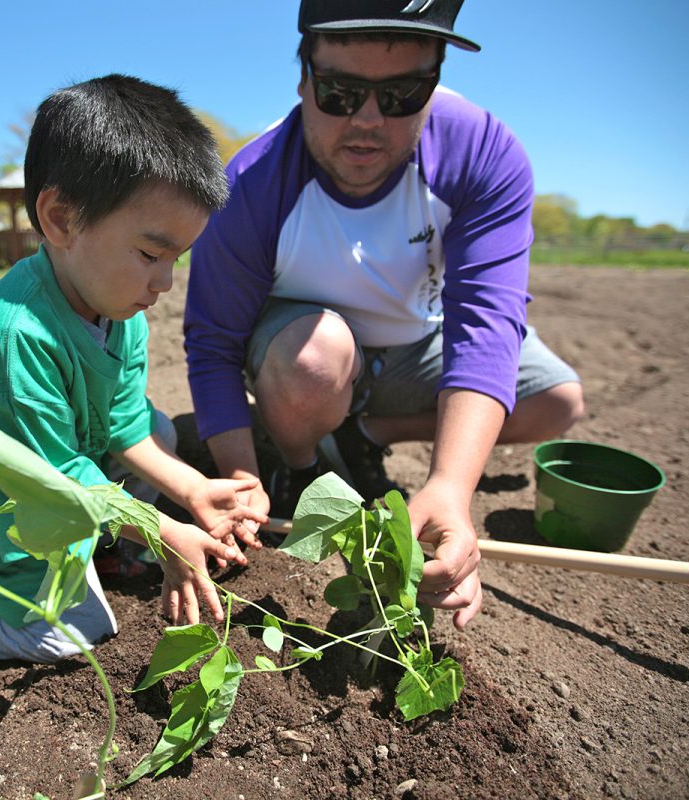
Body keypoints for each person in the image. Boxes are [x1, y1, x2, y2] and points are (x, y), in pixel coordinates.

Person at [184, 0, 584, 630]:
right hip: (308, 348)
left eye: (401, 94)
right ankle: (301, 464)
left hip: (416, 341)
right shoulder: (253, 182)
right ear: (304, 78)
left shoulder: (483, 152)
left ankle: (365, 436)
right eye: (340, 92)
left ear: (435, 81)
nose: (367, 121)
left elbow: (486, 322)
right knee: (314, 364)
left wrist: (451, 485)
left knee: (558, 401)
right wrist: (240, 476)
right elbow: (211, 344)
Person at [0, 74, 267, 664]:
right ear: (61, 219)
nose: (164, 282)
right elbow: (55, 484)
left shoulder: (121, 304)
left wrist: (193, 490)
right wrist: (163, 535)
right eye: (149, 253)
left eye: (176, 259)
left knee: (158, 432)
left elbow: (123, 422)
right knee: (74, 638)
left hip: (55, 482)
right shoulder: (12, 337)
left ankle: (103, 549)